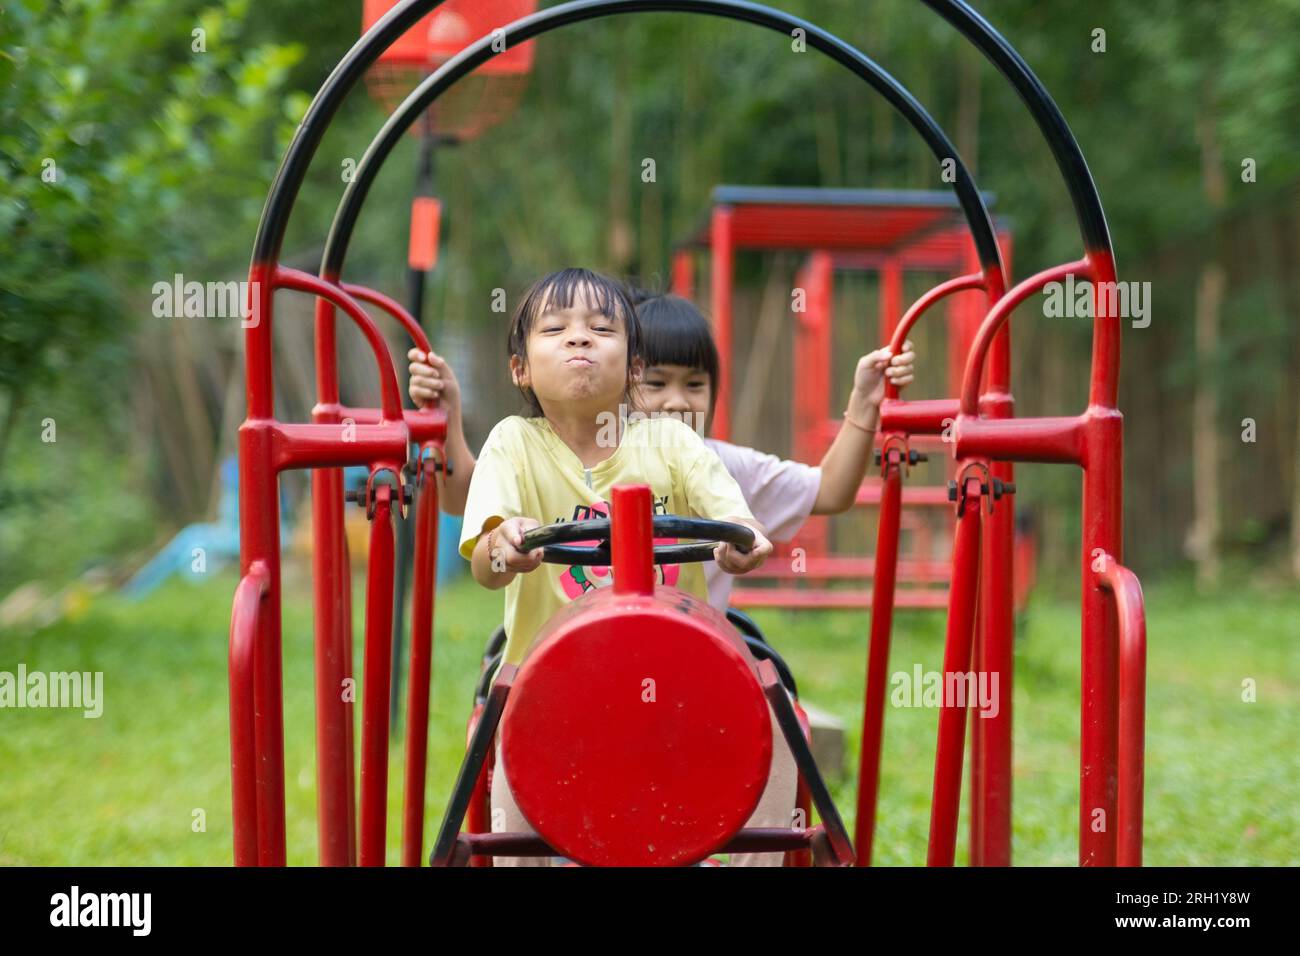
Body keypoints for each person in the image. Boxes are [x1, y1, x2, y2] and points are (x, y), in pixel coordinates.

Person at [451, 267, 774, 866]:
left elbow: (738, 522)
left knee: (775, 748)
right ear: (520, 367)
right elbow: (488, 557)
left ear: (630, 367)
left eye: (601, 327)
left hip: (677, 679)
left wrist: (744, 541)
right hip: (550, 687)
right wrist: (507, 545)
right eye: (556, 328)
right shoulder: (512, 445)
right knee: (516, 803)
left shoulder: (671, 445)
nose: (579, 338)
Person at [630, 292, 915, 612]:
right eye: (656, 383)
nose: (678, 401)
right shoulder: (588, 465)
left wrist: (864, 400)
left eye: (695, 385)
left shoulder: (726, 468)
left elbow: (831, 490)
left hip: (697, 654)